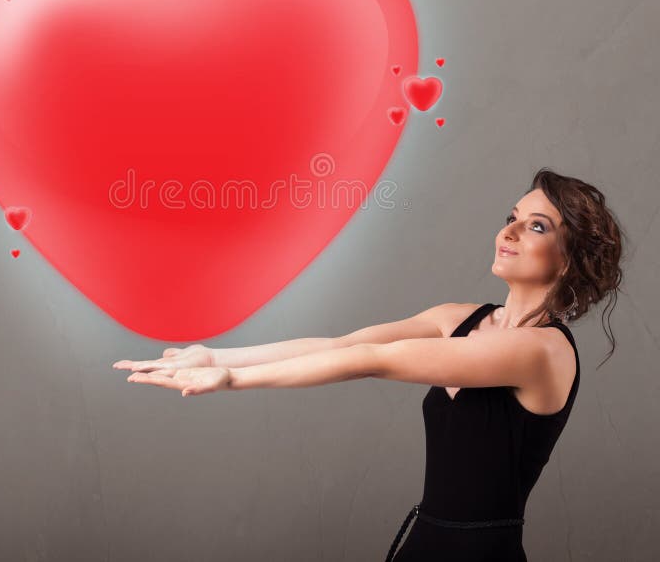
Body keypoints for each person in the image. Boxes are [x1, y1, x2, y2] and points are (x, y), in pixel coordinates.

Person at [113, 167, 627, 560]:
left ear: (568, 258)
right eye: (510, 216)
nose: (510, 231)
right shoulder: (462, 318)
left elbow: (372, 360)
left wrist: (234, 379)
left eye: (536, 226)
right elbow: (345, 343)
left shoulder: (542, 350)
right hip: (421, 541)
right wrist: (215, 352)